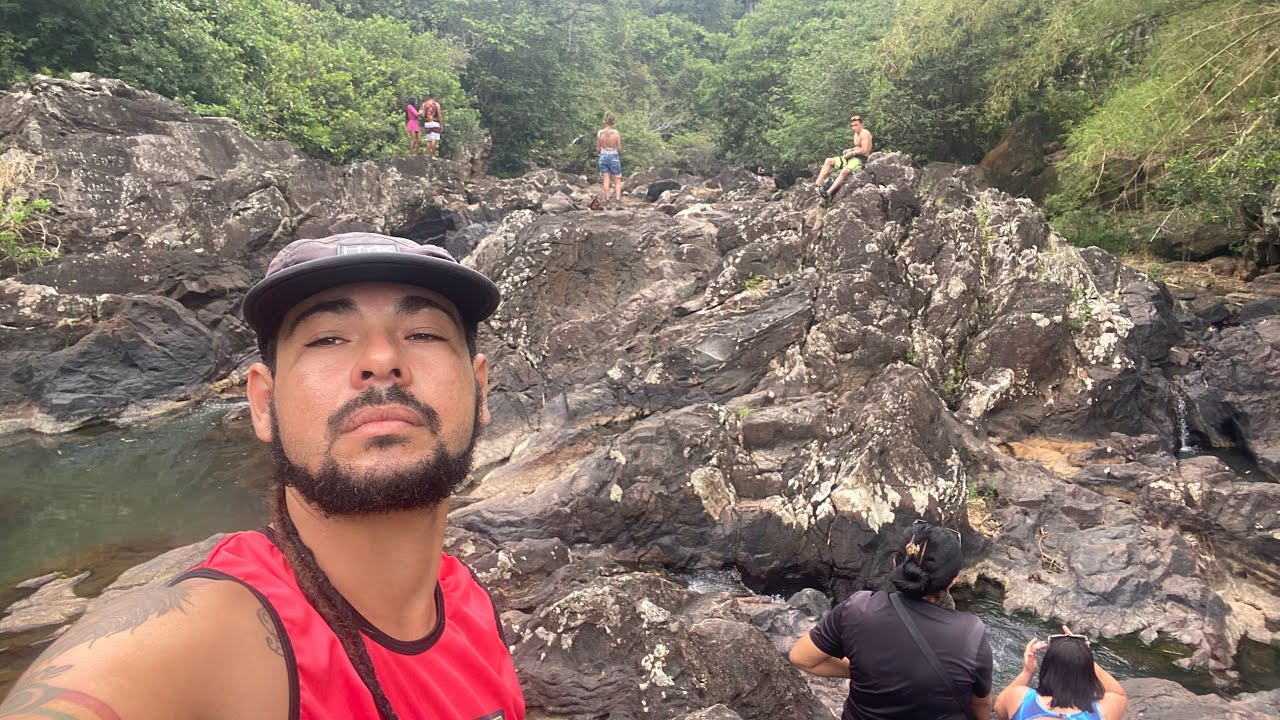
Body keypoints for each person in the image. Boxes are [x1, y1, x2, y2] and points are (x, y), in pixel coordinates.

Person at [0, 233, 526, 720]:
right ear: (262, 402)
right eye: (326, 339)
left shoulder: (470, 602)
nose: (382, 359)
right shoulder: (205, 639)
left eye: (422, 333)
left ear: (480, 389)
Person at [790, 520, 993, 720]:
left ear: (895, 563)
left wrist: (862, 670)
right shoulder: (971, 633)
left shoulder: (859, 608)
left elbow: (801, 657)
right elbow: (980, 703)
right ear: (953, 580)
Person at [994, 629, 1128, 720]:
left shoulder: (1020, 699)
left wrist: (1027, 671)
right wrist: (1083, 653)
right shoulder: (1103, 711)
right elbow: (1118, 694)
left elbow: (999, 709)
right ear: (1086, 671)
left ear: (1047, 668)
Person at [815, 115, 874, 202]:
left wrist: (852, 153)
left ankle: (828, 193)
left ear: (861, 125)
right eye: (852, 126)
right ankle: (817, 185)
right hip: (851, 157)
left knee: (844, 171)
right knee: (829, 161)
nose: (854, 127)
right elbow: (857, 147)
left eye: (856, 125)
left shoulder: (865, 133)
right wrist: (849, 150)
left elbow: (864, 150)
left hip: (860, 159)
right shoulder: (855, 134)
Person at [596, 112, 623, 206]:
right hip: (613, 157)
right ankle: (618, 201)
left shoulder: (600, 133)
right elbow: (619, 148)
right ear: (613, 122)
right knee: (617, 178)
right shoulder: (616, 133)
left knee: (606, 179)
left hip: (603, 157)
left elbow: (598, 149)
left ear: (605, 121)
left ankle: (607, 201)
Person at [420, 93, 442, 160]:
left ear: (428, 97)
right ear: (434, 97)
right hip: (435, 122)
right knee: (433, 139)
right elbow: (439, 115)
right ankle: (433, 155)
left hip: (427, 123)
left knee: (428, 140)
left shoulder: (424, 104)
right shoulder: (436, 104)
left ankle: (427, 155)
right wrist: (441, 124)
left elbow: (423, 115)